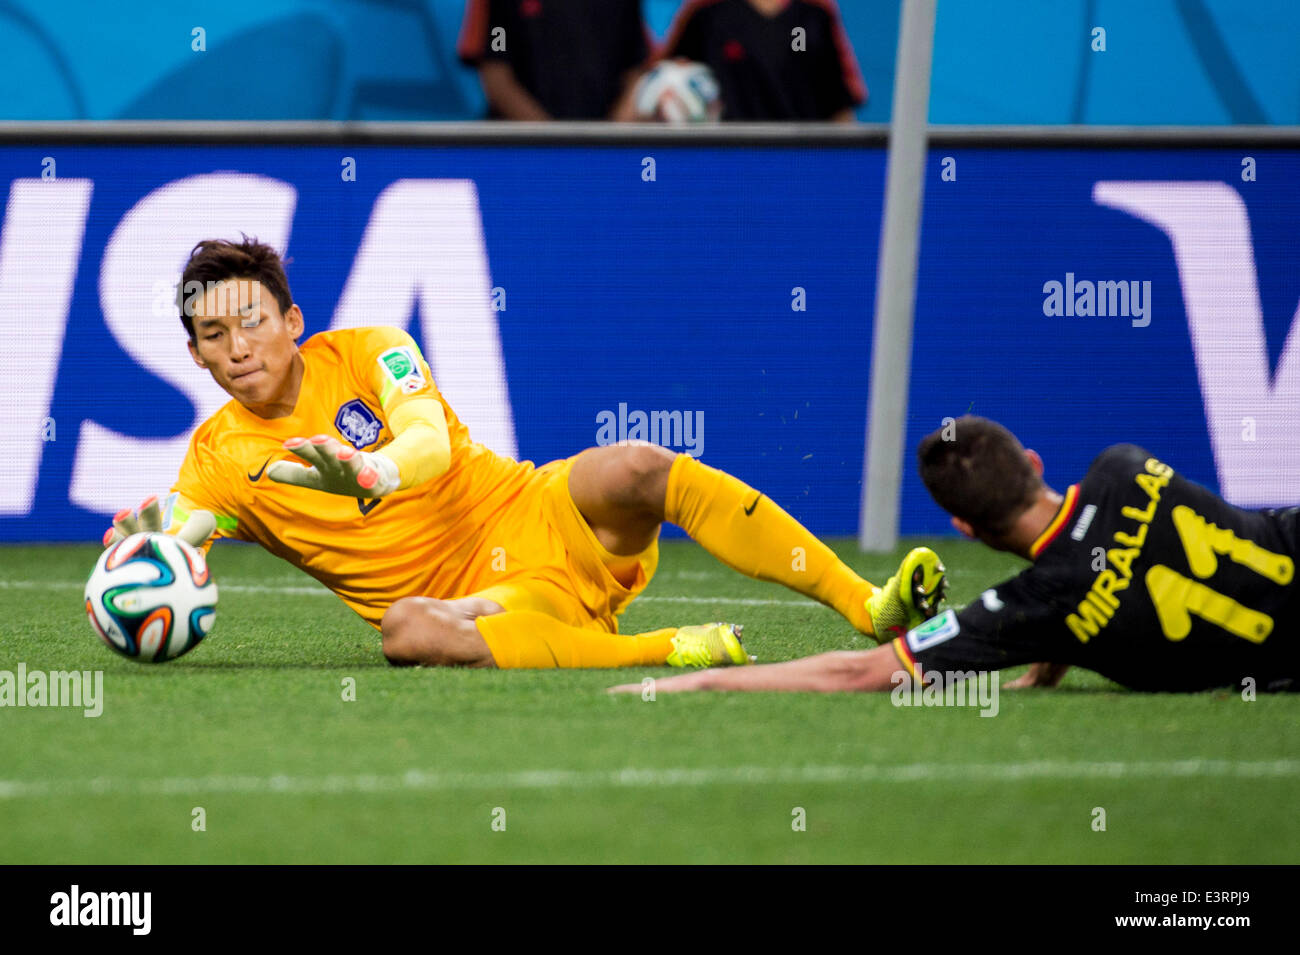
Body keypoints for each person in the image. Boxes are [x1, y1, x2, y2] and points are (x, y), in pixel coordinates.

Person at [105, 237, 947, 671]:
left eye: (251, 319)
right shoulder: (217, 458)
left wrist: (375, 470)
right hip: (488, 602)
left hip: (530, 506)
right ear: (198, 358)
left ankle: (868, 606)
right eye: (213, 333)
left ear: (292, 320)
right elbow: (184, 528)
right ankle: (668, 646)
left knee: (639, 466)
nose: (238, 344)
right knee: (404, 633)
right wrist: (153, 542)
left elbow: (428, 438)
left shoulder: (369, 348)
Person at [614, 416, 1298, 694]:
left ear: (963, 528)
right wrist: (1055, 650)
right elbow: (1130, 553)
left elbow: (859, 671)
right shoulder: (1123, 465)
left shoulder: (1029, 605)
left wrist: (700, 681)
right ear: (1031, 461)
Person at [656, 0, 866, 121]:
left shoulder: (816, 12)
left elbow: (838, 109)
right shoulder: (704, 12)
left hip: (800, 168)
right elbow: (657, 83)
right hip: (725, 168)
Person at [457, 0, 652, 120]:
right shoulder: (499, 10)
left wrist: (613, 135)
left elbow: (635, 65)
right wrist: (551, 141)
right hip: (523, 153)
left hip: (601, 155)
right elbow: (496, 73)